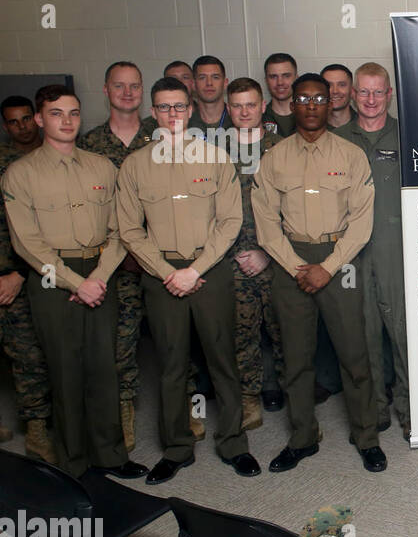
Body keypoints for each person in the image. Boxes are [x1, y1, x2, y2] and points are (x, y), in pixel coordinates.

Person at [116, 78, 259, 483]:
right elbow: (130, 230)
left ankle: (233, 443)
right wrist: (169, 273)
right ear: (153, 111)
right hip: (161, 277)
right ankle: (177, 448)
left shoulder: (215, 158)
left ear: (191, 108)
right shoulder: (135, 165)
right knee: (171, 365)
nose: (172, 115)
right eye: (163, 108)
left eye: (179, 107)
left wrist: (195, 270)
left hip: (208, 272)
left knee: (222, 361)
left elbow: (231, 220)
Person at [1, 85, 146, 480]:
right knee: (65, 372)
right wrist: (73, 282)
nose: (67, 121)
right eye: (56, 113)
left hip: (101, 274)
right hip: (51, 279)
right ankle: (75, 463)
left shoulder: (102, 167)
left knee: (104, 367)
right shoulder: (21, 173)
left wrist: (98, 277)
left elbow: (120, 230)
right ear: (39, 119)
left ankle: (112, 456)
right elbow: (26, 243)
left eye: (74, 113)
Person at [251, 73, 385, 474]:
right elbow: (265, 222)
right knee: (295, 358)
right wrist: (297, 268)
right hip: (289, 258)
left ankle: (366, 437)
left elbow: (362, 223)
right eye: (303, 99)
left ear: (332, 104)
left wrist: (327, 268)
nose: (311, 106)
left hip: (339, 258)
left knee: (354, 354)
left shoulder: (350, 155)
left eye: (319, 99)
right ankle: (303, 437)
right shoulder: (274, 157)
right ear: (292, 105)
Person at [77, 61, 160, 450]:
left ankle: (185, 413)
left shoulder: (162, 137)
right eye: (119, 86)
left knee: (174, 339)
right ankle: (123, 412)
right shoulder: (88, 145)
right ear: (106, 90)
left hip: (163, 259)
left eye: (134, 86)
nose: (128, 93)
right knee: (119, 342)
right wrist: (118, 253)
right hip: (115, 262)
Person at [335, 62, 409, 439]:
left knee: (403, 332)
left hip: (396, 250)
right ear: (352, 95)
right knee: (362, 333)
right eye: (363, 91)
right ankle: (374, 409)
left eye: (378, 92)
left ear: (390, 95)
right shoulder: (337, 139)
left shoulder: (408, 135)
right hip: (351, 253)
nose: (370, 99)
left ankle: (412, 411)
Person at [224, 76, 286, 427]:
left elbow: (293, 210)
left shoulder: (283, 148)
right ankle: (249, 399)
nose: (245, 111)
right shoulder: (215, 151)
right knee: (241, 333)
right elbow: (208, 211)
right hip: (233, 258)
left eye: (251, 104)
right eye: (237, 105)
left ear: (262, 106)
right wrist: (233, 252)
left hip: (276, 258)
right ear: (228, 109)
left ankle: (289, 396)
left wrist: (267, 252)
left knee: (284, 332)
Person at [0, 98, 53, 462]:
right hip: (8, 270)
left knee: (38, 351)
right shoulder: (5, 164)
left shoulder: (54, 161)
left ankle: (46, 426)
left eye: (25, 119)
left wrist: (20, 272)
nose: (21, 127)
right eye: (12, 122)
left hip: (37, 270)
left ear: (36, 118)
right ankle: (36, 427)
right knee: (25, 353)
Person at [189, 55, 230, 132]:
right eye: (202, 78)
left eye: (215, 77)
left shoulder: (239, 119)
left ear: (225, 83)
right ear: (193, 84)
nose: (209, 83)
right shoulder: (185, 124)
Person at [262, 53, 298, 137]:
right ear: (266, 80)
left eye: (286, 76)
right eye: (273, 77)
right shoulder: (259, 118)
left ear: (296, 78)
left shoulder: (309, 116)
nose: (280, 82)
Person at [322, 64, 355, 130]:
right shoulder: (310, 128)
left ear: (352, 90)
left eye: (342, 85)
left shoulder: (365, 125)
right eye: (328, 85)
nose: (335, 91)